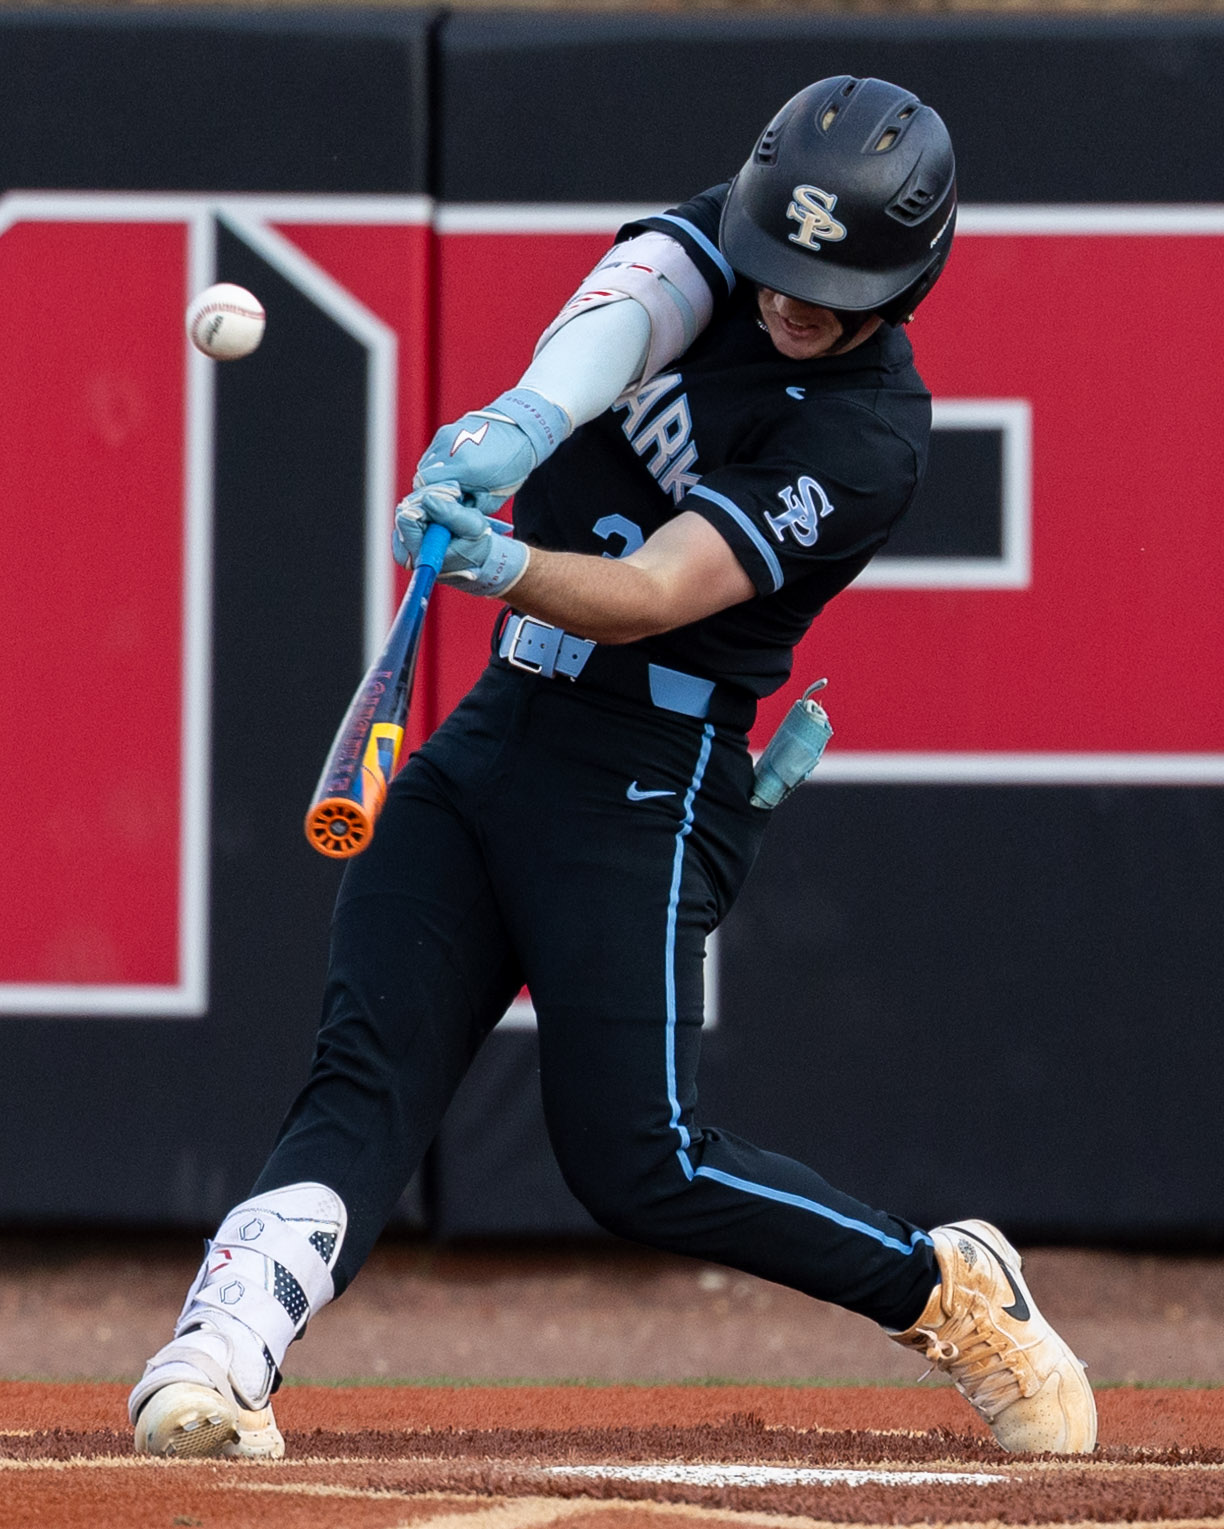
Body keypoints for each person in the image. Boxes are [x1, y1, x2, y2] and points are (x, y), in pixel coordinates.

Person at [127, 76, 1096, 1461]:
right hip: (498, 729)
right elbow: (625, 321)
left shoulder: (868, 436)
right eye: (775, 267)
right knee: (365, 1070)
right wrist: (519, 425)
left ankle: (945, 1286)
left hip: (645, 777)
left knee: (641, 1161)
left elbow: (652, 591)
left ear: (907, 277)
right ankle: (222, 1356)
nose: (788, 301)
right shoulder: (720, 244)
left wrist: (508, 561)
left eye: (829, 285)